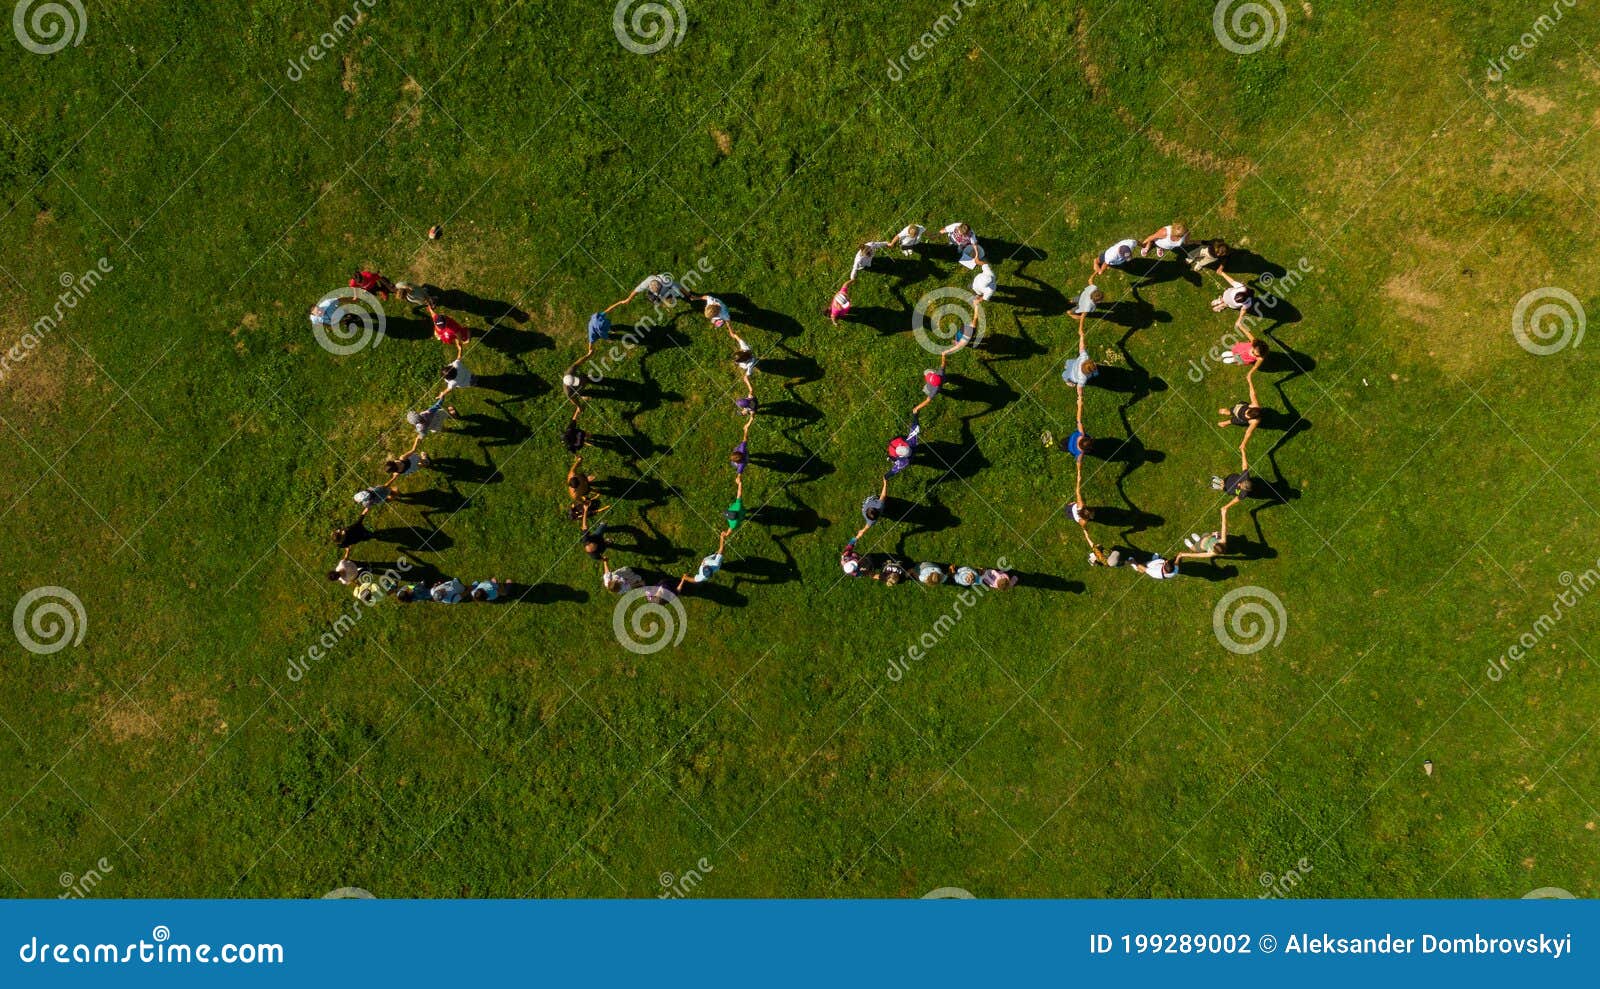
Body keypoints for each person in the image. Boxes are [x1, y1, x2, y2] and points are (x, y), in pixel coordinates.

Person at [606, 273, 687, 312]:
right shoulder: (647, 282)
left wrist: (689, 295)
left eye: (656, 291)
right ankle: (661, 302)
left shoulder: (666, 280)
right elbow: (636, 290)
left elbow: (678, 286)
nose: (655, 293)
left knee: (671, 301)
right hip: (659, 292)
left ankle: (665, 300)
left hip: (665, 291)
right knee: (652, 297)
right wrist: (628, 299)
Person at [1062, 316, 1099, 386]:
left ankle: (1068, 378)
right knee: (1066, 369)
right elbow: (1079, 388)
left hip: (1074, 370)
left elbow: (1081, 347)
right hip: (1074, 370)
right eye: (1093, 363)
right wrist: (1080, 395)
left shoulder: (1085, 358)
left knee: (1065, 371)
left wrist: (1081, 337)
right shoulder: (1083, 377)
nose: (1094, 363)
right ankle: (1069, 382)